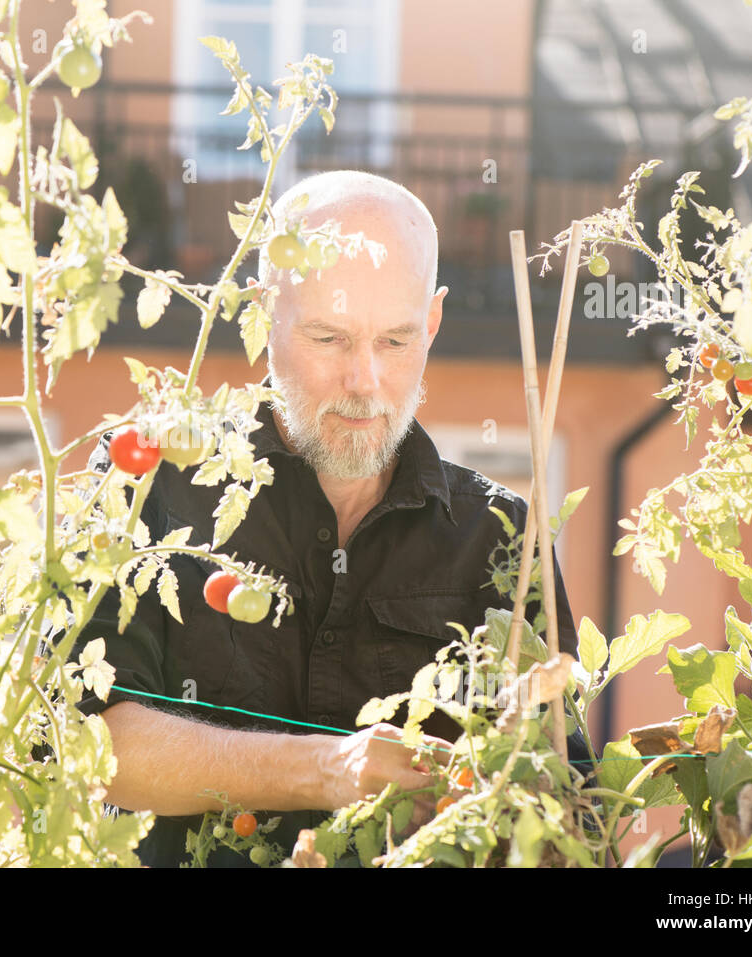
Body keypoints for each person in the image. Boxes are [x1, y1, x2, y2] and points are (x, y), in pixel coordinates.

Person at [69, 169, 592, 867]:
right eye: (329, 338)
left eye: (396, 341)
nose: (364, 381)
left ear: (433, 321)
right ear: (264, 313)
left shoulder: (501, 537)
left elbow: (565, 793)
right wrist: (327, 768)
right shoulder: (151, 483)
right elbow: (87, 743)